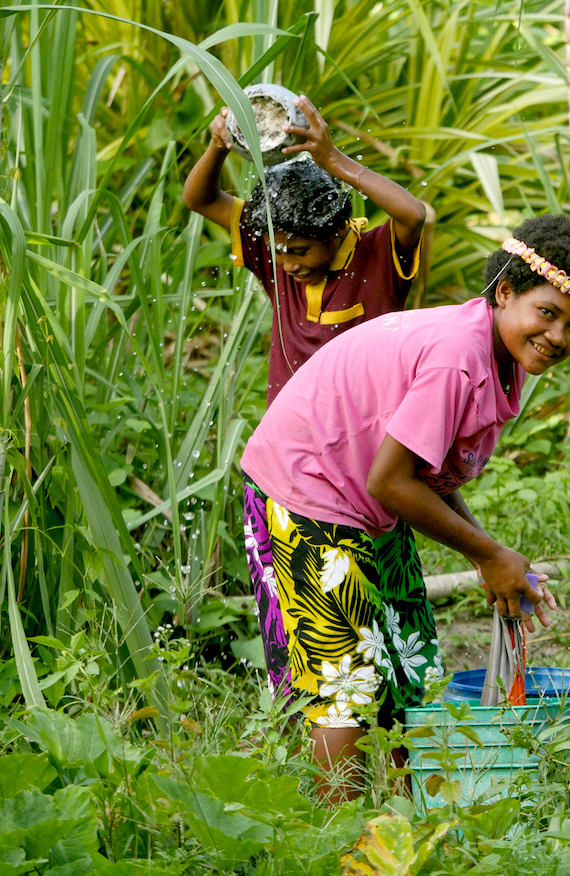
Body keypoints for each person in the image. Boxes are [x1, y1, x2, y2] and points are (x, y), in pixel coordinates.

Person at [239, 213, 570, 801]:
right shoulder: (458, 356)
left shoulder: (498, 353)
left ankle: (406, 817)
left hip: (362, 498)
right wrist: (489, 555)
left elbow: (423, 473)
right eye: (548, 313)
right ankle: (337, 836)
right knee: (347, 685)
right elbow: (391, 480)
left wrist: (489, 554)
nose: (560, 337)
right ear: (507, 291)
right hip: (307, 490)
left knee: (404, 664)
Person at [182, 95, 428, 700]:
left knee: (386, 615)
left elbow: (414, 213)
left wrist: (333, 158)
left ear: (340, 231)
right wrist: (217, 145)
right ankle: (320, 731)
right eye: (279, 249)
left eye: (301, 251)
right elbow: (201, 199)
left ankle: (399, 733)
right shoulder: (272, 253)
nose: (287, 263)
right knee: (312, 629)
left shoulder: (375, 254)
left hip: (370, 462)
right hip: (295, 466)